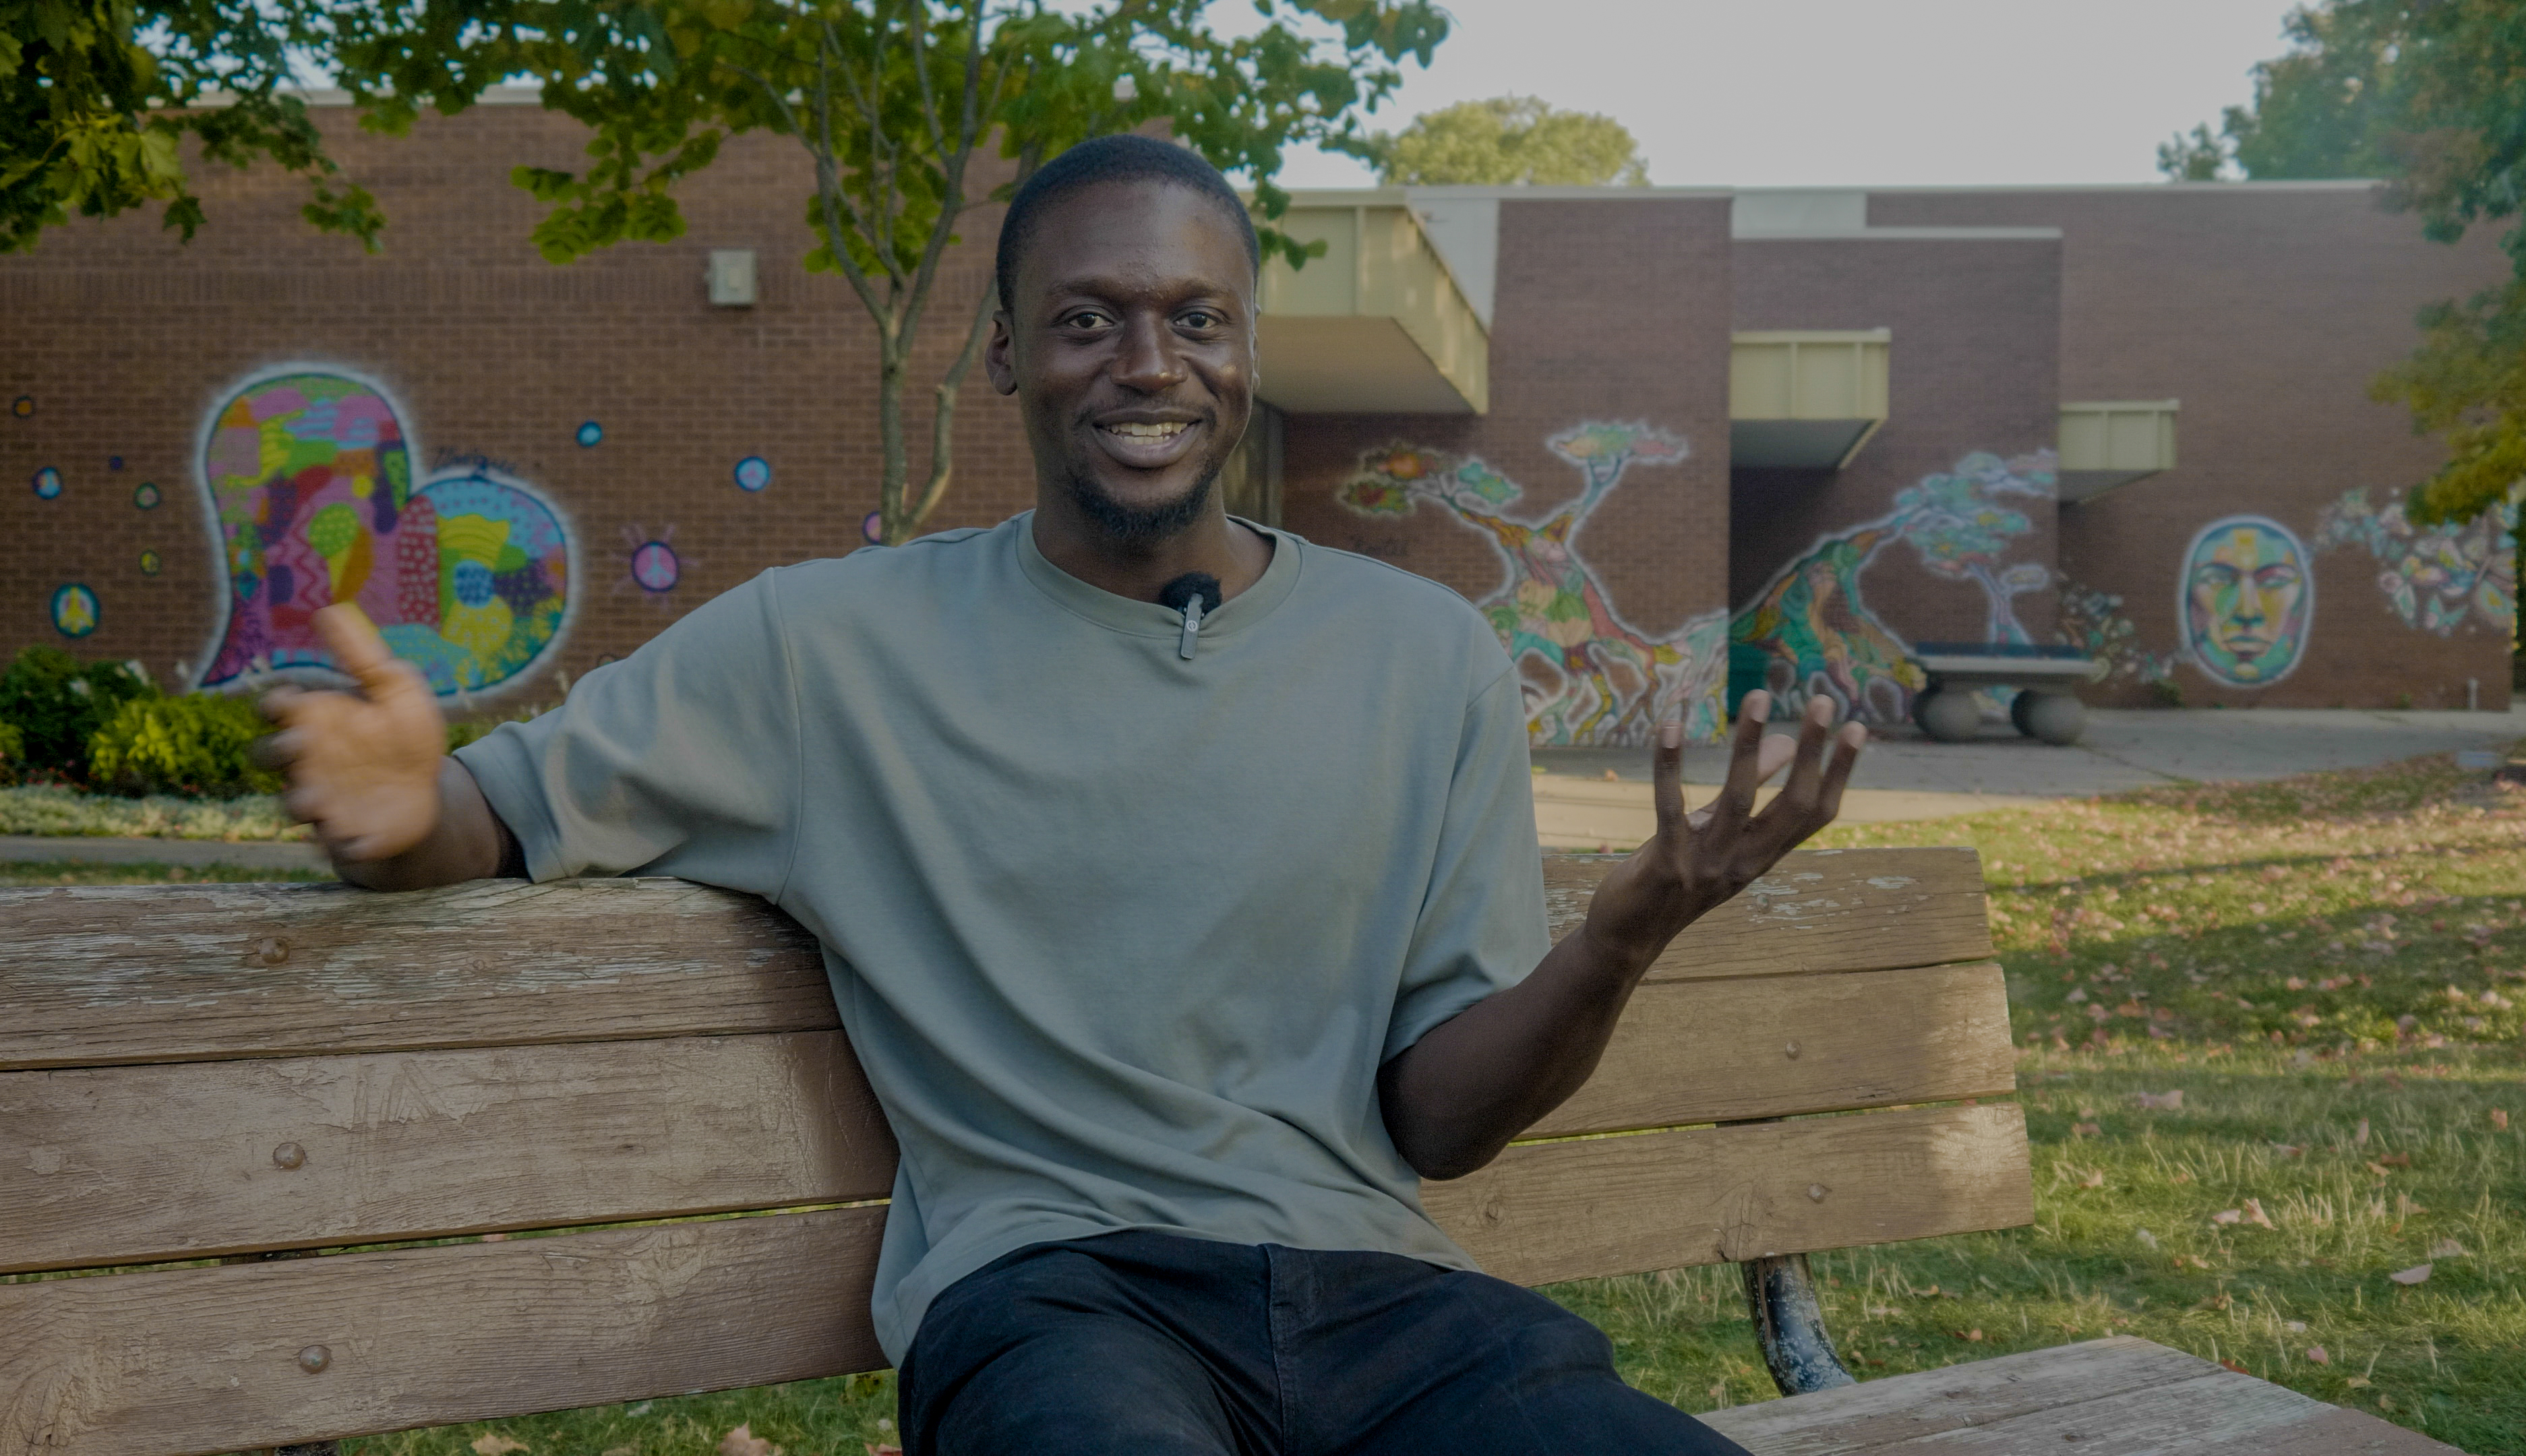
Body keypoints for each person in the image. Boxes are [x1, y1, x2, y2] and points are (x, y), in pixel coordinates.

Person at [258, 134, 1869, 1456]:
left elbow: (1436, 1124)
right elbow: (501, 817)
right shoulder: (824, 650)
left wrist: (1619, 941)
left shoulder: (1423, 654)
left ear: (1247, 348)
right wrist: (409, 812)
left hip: (1383, 1301)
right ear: (1005, 354)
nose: (1147, 363)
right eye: (1088, 319)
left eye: (1196, 318)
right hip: (1052, 1301)